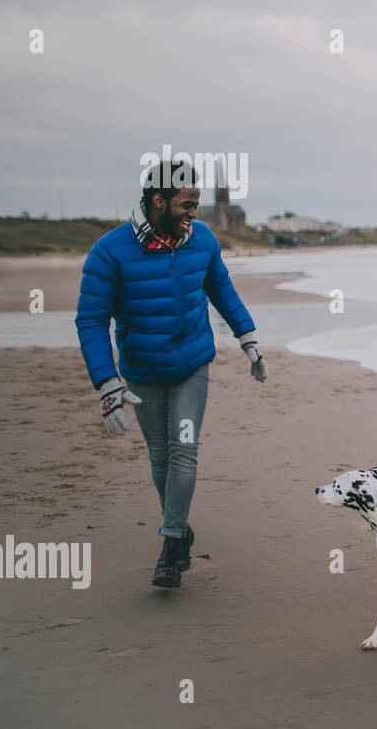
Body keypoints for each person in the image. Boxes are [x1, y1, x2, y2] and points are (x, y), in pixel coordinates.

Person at [75, 159, 268, 589]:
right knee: (160, 455)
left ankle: (170, 542)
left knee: (184, 448)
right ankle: (179, 528)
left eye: (197, 204)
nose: (193, 213)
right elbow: (91, 319)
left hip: (191, 363)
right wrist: (107, 383)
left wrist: (248, 339)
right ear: (157, 200)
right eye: (185, 204)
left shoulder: (201, 241)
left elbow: (221, 289)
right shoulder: (110, 251)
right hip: (141, 368)